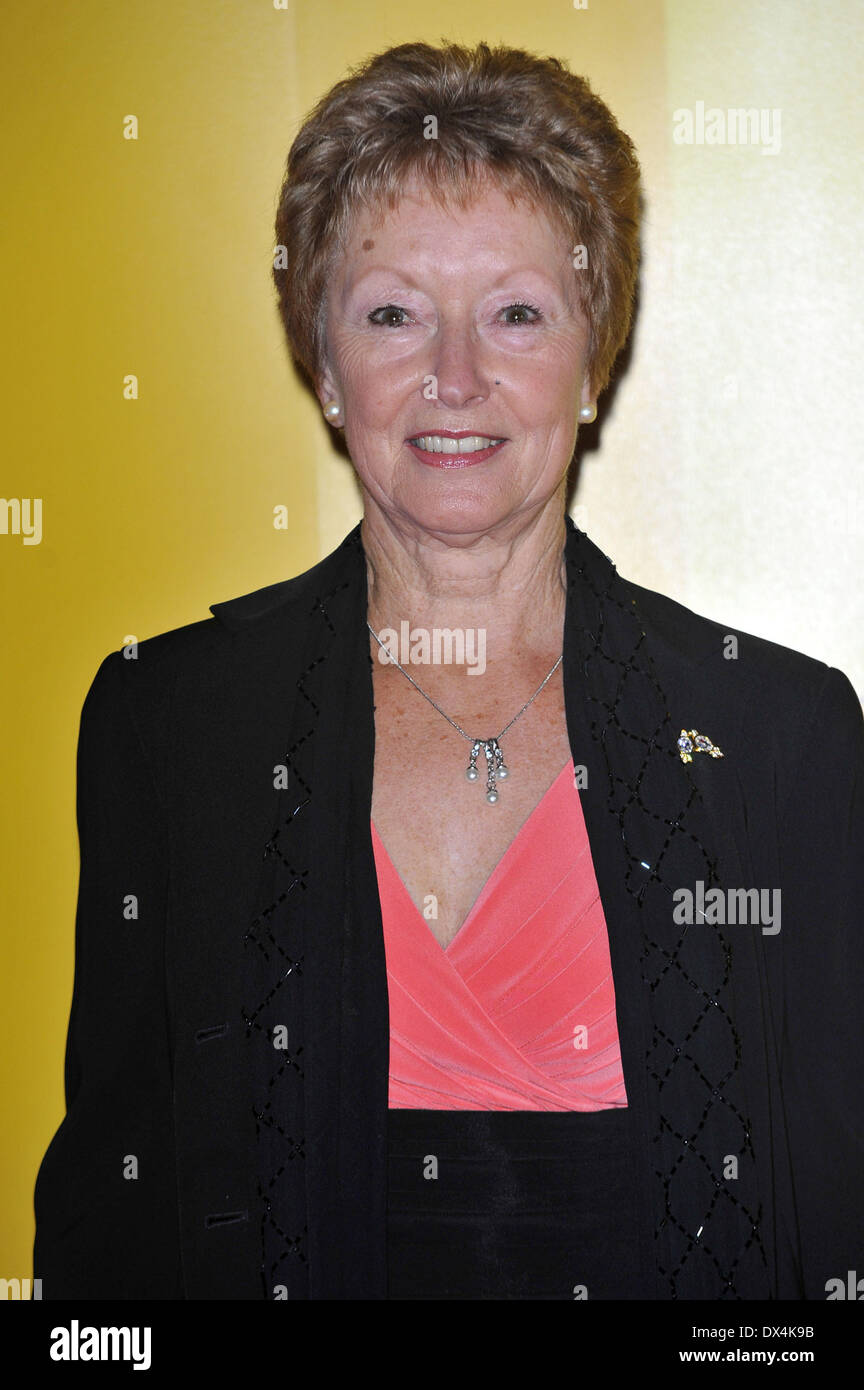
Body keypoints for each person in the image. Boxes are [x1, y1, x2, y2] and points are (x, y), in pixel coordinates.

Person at [34, 39, 863, 1301]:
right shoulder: (167, 725)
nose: (457, 377)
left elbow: (834, 1220)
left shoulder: (783, 733)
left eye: (518, 312)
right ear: (325, 363)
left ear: (595, 357)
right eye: (394, 313)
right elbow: (113, 1229)